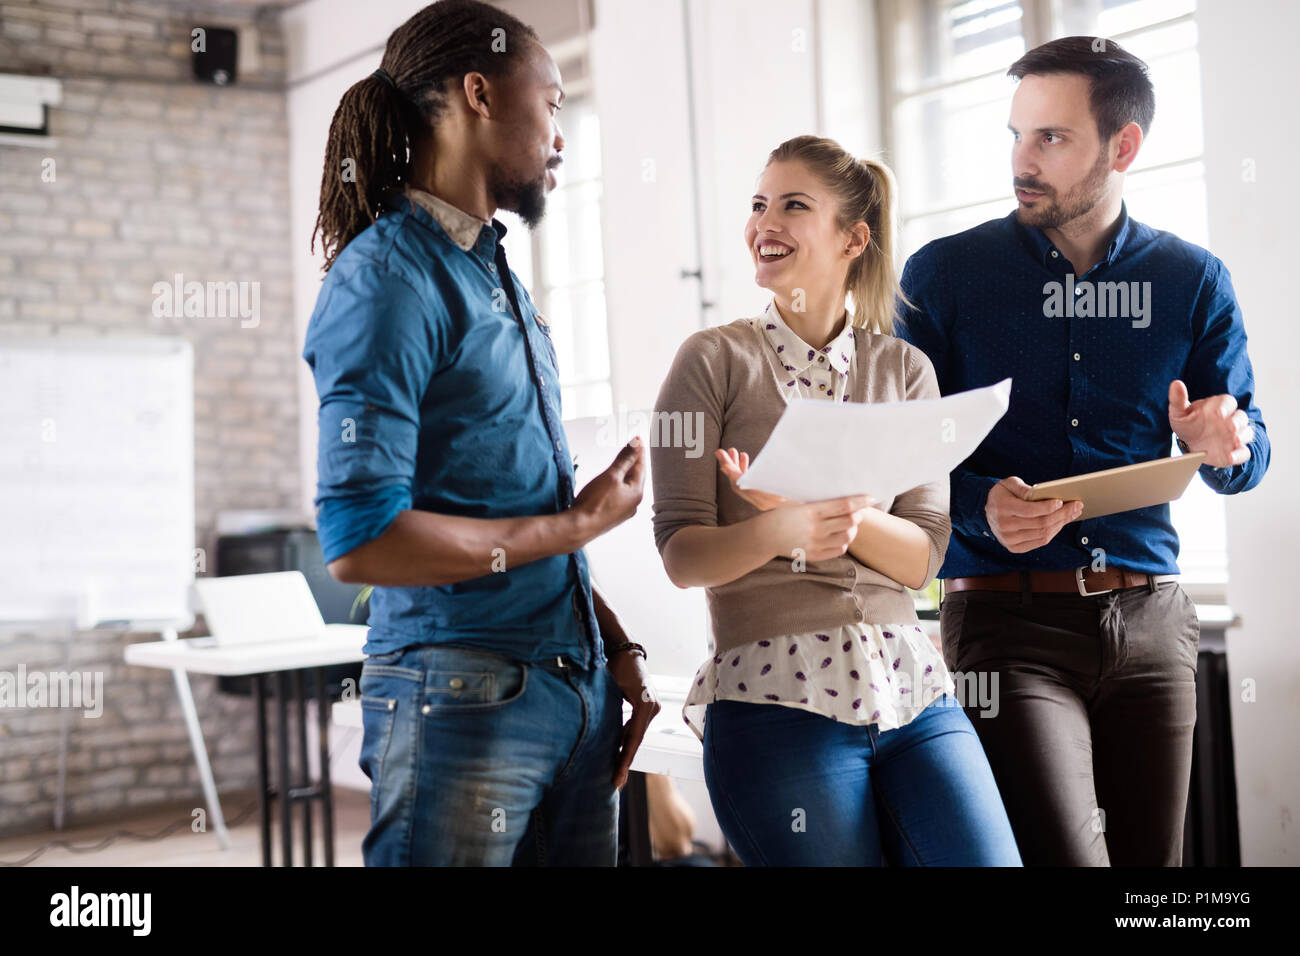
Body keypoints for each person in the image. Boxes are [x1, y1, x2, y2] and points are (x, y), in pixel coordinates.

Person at [897, 36, 1270, 866]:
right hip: (1006, 626)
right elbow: (892, 464)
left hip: (1155, 623)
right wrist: (978, 508)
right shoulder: (943, 278)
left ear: (1124, 146)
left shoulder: (1192, 280)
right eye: (1016, 136)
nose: (1022, 161)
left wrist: (1224, 443)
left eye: (1051, 139)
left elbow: (1251, 449)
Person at [303, 0, 658, 866]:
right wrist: (577, 526)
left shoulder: (491, 272)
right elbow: (362, 541)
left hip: (572, 692)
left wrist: (611, 641)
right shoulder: (386, 278)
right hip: (458, 698)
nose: (562, 135)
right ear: (479, 94)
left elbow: (511, 507)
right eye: (555, 102)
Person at [649, 135, 1022, 866]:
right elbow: (681, 552)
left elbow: (922, 557)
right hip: (771, 695)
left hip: (914, 691)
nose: (765, 222)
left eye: (793, 205)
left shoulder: (905, 369)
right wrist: (778, 529)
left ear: (855, 237)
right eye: (758, 205)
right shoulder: (711, 361)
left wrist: (830, 516)